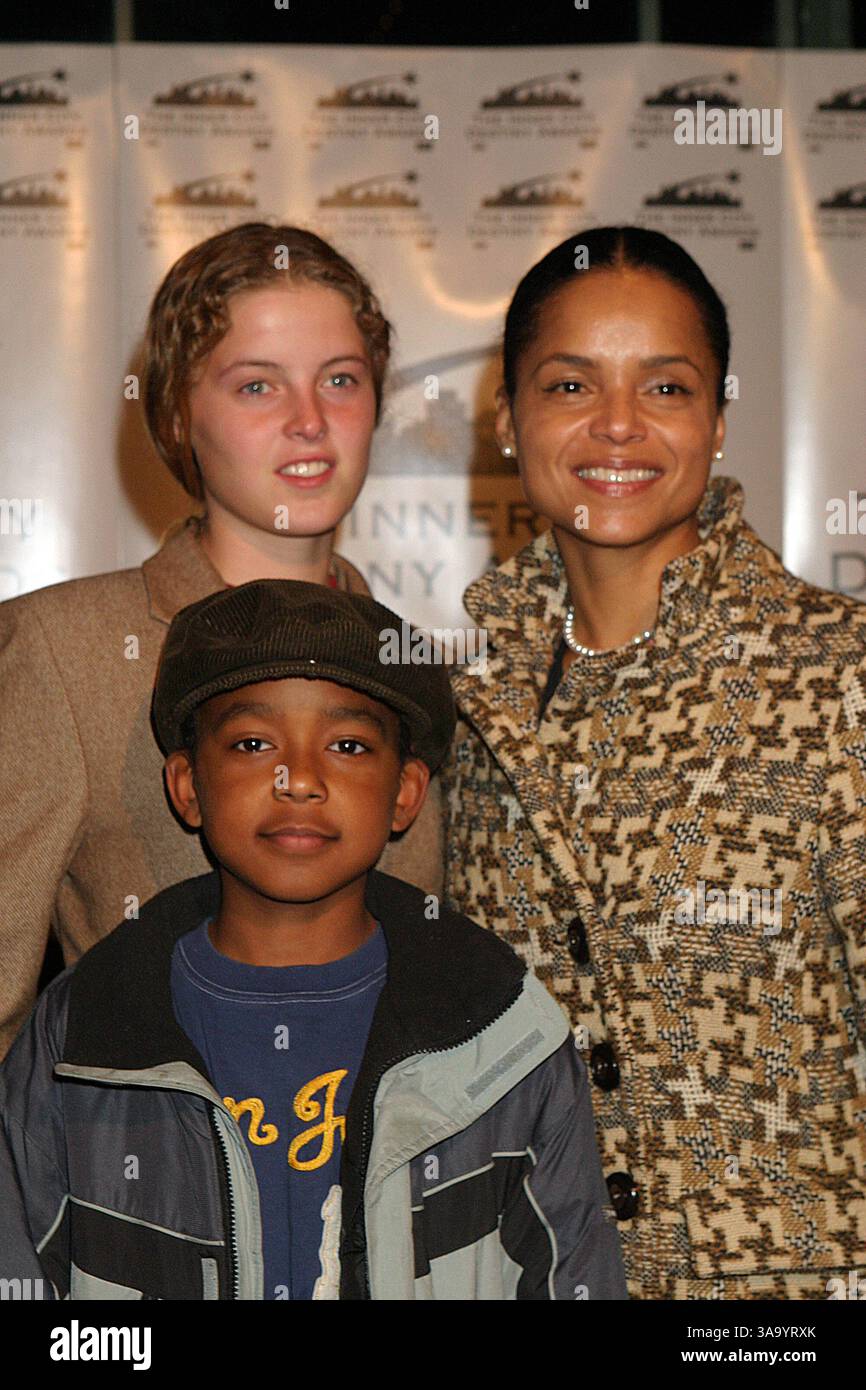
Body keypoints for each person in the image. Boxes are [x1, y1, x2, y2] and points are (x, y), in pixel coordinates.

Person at [441, 226, 866, 1300]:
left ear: (717, 419)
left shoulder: (834, 675)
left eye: (664, 388)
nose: (617, 425)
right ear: (508, 416)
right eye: (570, 382)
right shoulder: (466, 705)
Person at [0, 580, 627, 1301]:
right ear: (187, 786)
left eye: (349, 745)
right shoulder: (82, 1037)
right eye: (253, 742)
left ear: (405, 793)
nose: (299, 778)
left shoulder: (502, 1033)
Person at [0, 221, 442, 1060]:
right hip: (144, 1176)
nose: (311, 421)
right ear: (175, 413)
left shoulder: (407, 661)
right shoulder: (61, 651)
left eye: (340, 380)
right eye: (257, 387)